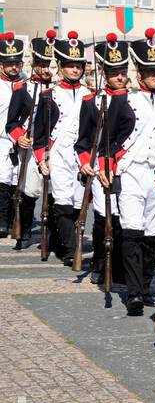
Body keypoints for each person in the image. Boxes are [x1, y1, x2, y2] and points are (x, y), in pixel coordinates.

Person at [102, 30, 155, 315]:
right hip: (131, 171)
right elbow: (107, 141)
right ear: (140, 72)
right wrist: (105, 166)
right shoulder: (123, 100)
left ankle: (145, 286)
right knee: (132, 231)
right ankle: (133, 293)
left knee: (153, 236)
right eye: (151, 70)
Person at [32, 31, 93, 266]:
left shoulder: (91, 96)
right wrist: (41, 158)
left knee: (78, 202)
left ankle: (64, 241)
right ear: (60, 67)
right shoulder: (49, 96)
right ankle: (70, 248)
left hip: (83, 155)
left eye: (78, 66)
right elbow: (40, 135)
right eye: (69, 66)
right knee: (63, 202)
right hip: (58, 154)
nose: (75, 70)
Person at [78, 38, 130, 288]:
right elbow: (83, 140)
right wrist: (85, 162)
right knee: (102, 217)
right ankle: (99, 262)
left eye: (123, 72)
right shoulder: (91, 102)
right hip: (99, 167)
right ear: (104, 73)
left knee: (124, 220)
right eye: (114, 73)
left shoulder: (134, 101)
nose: (120, 77)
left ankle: (119, 267)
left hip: (127, 167)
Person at [6, 32, 55, 250]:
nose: (45, 69)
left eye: (48, 64)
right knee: (29, 192)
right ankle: (23, 230)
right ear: (34, 64)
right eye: (41, 64)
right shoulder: (22, 88)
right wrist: (19, 138)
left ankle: (55, 236)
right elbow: (12, 122)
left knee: (56, 195)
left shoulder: (58, 89)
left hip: (55, 148)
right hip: (32, 146)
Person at [0, 33, 27, 239]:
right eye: (9, 63)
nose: (14, 67)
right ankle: (2, 220)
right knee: (2, 180)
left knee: (17, 182)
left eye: (17, 63)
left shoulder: (25, 85)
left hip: (21, 140)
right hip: (0, 139)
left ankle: (12, 220)